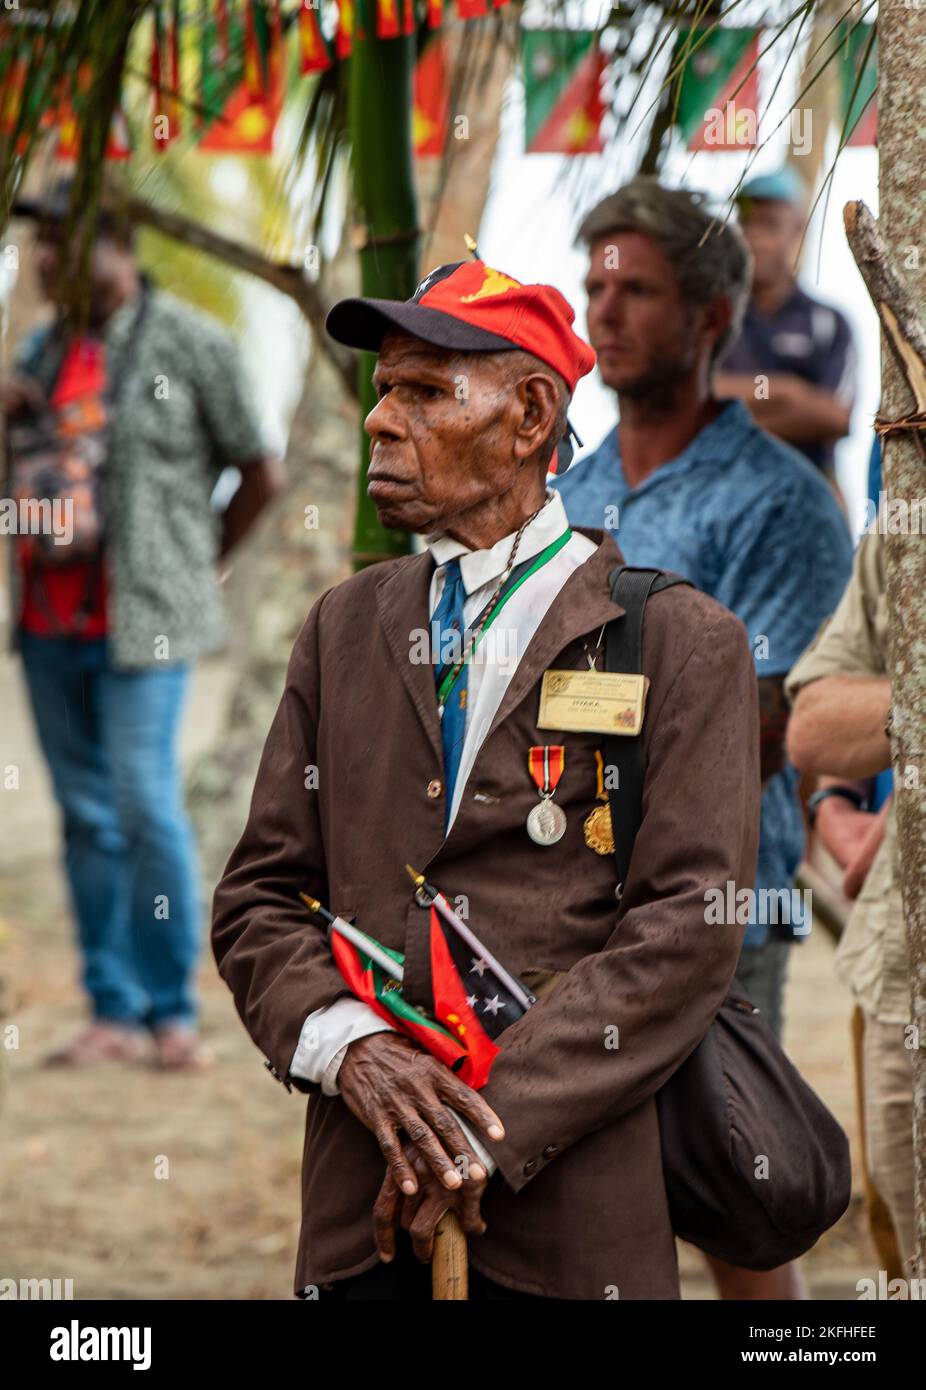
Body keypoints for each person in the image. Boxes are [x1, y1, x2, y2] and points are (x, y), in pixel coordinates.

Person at [212, 257, 760, 1300]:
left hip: (565, 1226)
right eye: (382, 391)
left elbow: (687, 928)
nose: (381, 419)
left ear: (527, 416)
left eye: (423, 390)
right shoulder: (343, 627)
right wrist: (354, 1051)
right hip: (359, 1214)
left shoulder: (678, 641)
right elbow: (260, 897)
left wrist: (477, 1125)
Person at [550, 177, 854, 1299]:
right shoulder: (562, 494)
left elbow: (757, 725)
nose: (605, 311)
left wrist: (581, 707)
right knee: (581, 1193)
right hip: (563, 885)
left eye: (638, 290)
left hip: (716, 895)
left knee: (732, 1184)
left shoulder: (781, 502)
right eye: (595, 286)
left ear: (711, 318)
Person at [3, 178, 283, 1069]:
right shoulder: (40, 352)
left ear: (118, 244)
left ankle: (172, 1012)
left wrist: (197, 564)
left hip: (146, 624)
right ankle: (112, 1011)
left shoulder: (192, 342)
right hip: (50, 624)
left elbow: (260, 471)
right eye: (39, 243)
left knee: (141, 801)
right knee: (85, 818)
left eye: (62, 239)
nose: (46, 259)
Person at [786, 527, 916, 1275]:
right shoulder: (906, 519)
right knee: (901, 1244)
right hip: (902, 969)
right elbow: (815, 726)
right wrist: (839, 798)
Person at [715, 167, 856, 480]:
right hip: (722, 493)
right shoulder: (712, 320)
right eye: (747, 223)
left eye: (770, 224)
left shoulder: (829, 322)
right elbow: (695, 399)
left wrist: (732, 426)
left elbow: (837, 418)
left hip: (809, 492)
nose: (756, 239)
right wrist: (791, 392)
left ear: (798, 229)